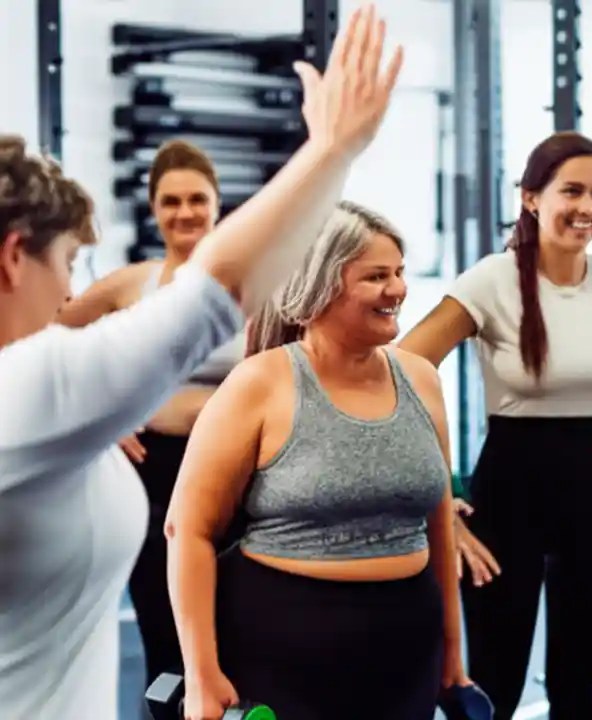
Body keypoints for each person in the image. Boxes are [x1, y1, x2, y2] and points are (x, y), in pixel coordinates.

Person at [0, 4, 404, 717]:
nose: (68, 286)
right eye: (63, 262)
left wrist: (96, 427)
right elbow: (218, 288)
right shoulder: (27, 394)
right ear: (12, 260)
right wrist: (333, 147)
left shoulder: (43, 409)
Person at [398, 131, 592, 720]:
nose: (588, 208)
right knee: (494, 685)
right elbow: (406, 364)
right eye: (572, 191)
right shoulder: (492, 280)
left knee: (578, 689)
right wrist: (441, 489)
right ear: (530, 198)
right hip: (510, 493)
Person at [165, 200, 469, 720]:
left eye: (398, 272)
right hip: (283, 653)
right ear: (321, 285)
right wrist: (201, 672)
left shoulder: (421, 379)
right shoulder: (259, 384)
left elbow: (438, 521)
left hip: (406, 651)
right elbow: (188, 531)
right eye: (376, 276)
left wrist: (454, 651)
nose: (397, 289)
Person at [57, 138, 244, 688]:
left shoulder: (253, 284)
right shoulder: (130, 284)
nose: (184, 212)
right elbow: (41, 344)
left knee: (237, 633)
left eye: (196, 199)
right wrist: (101, 421)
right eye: (170, 201)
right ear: (153, 208)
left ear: (217, 204)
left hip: (234, 472)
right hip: (153, 474)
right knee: (166, 637)